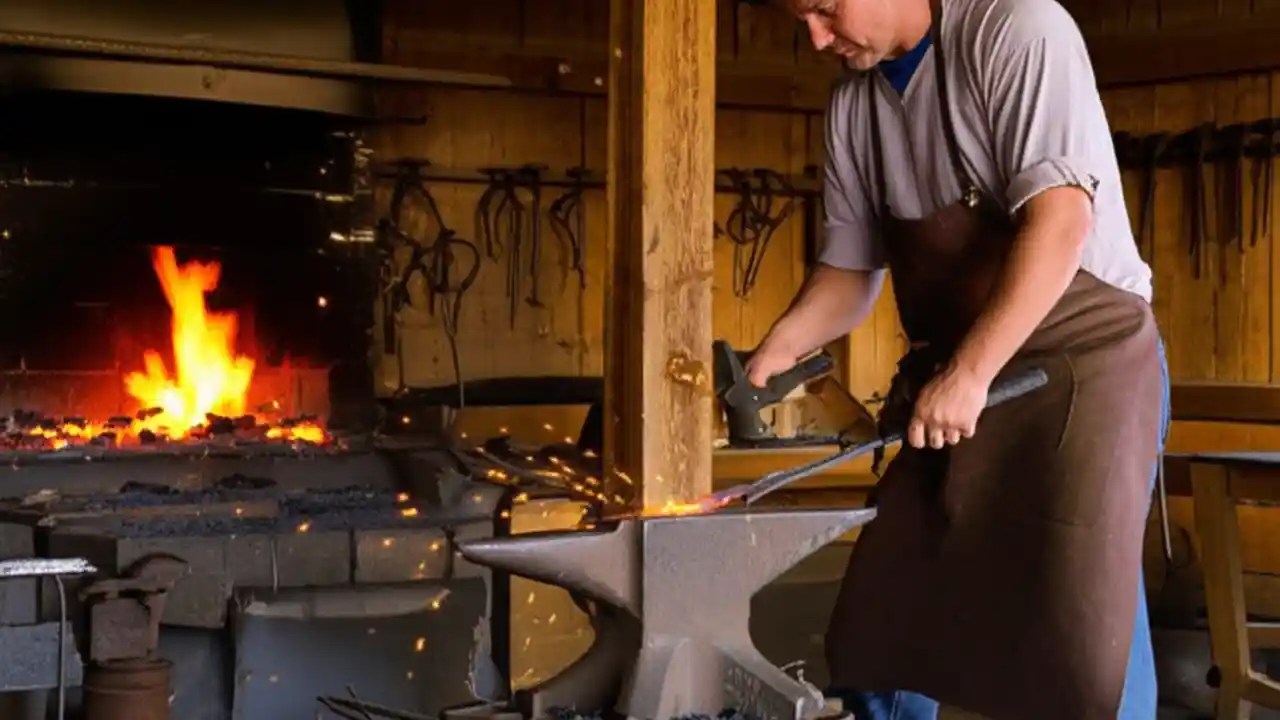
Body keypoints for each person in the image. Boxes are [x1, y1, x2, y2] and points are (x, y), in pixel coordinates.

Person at [745, 0, 1169, 718]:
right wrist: (771, 356)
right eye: (802, 19)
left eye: (826, 8)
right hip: (955, 382)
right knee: (882, 623)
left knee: (1080, 627)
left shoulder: (1016, 30)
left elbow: (1060, 223)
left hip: (1082, 373)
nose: (815, 37)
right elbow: (849, 271)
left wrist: (971, 373)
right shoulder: (853, 104)